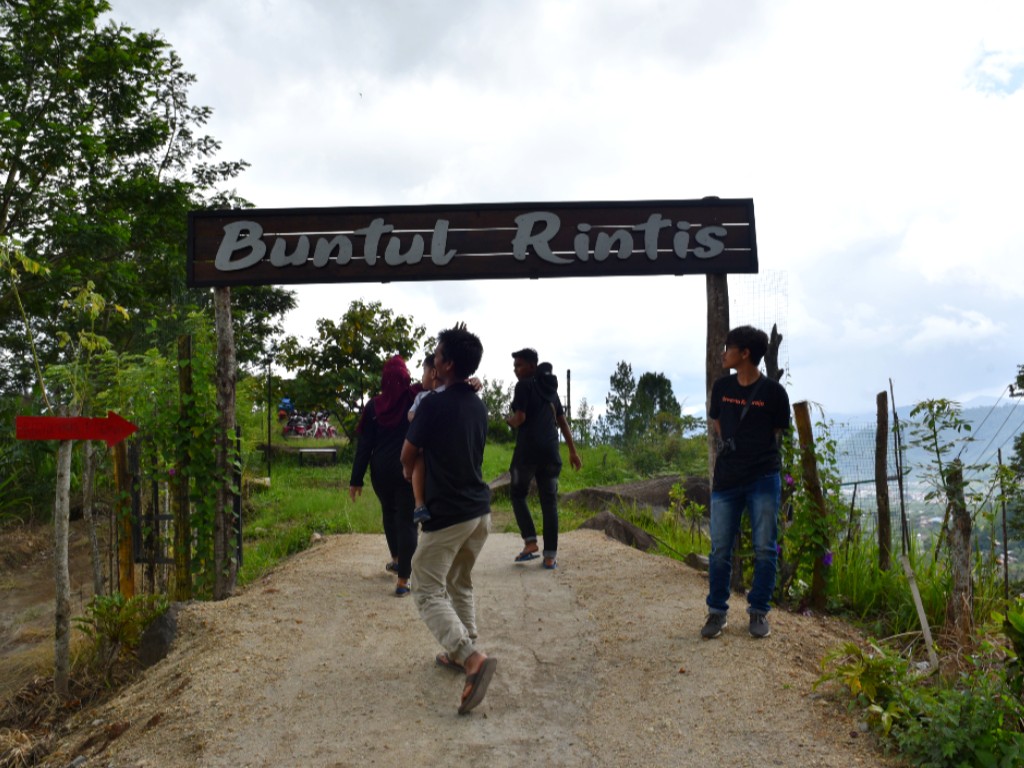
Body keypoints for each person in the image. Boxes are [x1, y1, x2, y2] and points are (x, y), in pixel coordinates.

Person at [400, 324, 497, 715]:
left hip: (450, 513)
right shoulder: (478, 405)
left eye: (437, 355)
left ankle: (470, 657)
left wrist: (409, 474)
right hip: (479, 513)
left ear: (449, 363)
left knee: (424, 585)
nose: (433, 360)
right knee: (460, 580)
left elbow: (409, 453)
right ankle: (465, 644)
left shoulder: (433, 405)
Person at [701, 325, 791, 640]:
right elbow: (716, 420)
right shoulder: (722, 386)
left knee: (765, 548)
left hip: (763, 478)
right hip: (727, 479)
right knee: (720, 549)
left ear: (745, 354)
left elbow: (777, 432)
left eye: (728, 348)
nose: (723, 353)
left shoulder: (774, 393)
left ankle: (758, 611)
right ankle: (717, 612)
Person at [349, 356, 420, 597]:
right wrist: (469, 382)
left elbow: (364, 446)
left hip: (380, 472)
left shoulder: (373, 406)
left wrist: (356, 480)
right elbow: (438, 383)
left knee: (390, 513)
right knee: (408, 520)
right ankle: (403, 580)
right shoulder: (413, 397)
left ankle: (398, 559)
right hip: (407, 470)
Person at [506, 348, 582, 570]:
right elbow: (563, 422)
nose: (515, 370)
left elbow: (520, 417)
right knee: (549, 502)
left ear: (532, 366)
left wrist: (509, 422)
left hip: (527, 453)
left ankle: (530, 542)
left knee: (518, 494)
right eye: (514, 366)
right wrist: (572, 451)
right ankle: (550, 557)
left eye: (519, 365)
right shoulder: (551, 391)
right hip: (550, 453)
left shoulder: (523, 386)